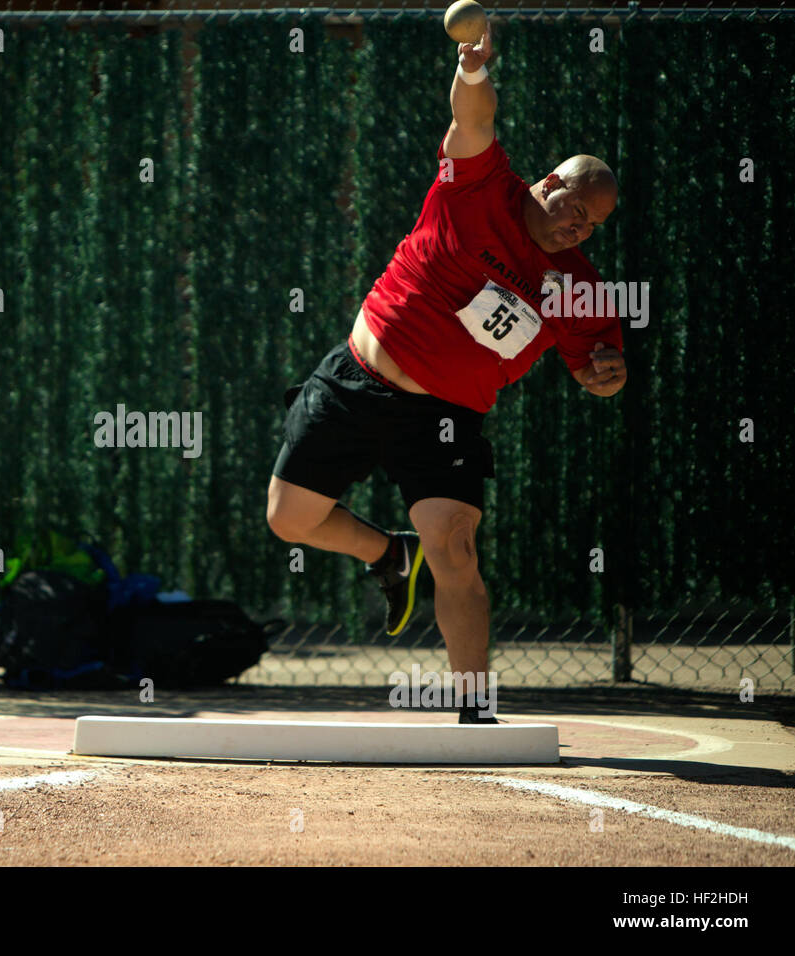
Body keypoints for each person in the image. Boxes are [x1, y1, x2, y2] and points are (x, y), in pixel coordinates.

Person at [265, 22, 627, 723]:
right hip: (356, 379)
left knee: (456, 548)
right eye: (574, 207)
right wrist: (472, 68)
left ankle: (475, 707)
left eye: (593, 224)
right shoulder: (480, 182)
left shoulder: (577, 286)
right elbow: (475, 116)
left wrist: (605, 377)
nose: (579, 227)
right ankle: (389, 557)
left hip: (445, 418)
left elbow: (599, 368)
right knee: (289, 520)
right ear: (547, 183)